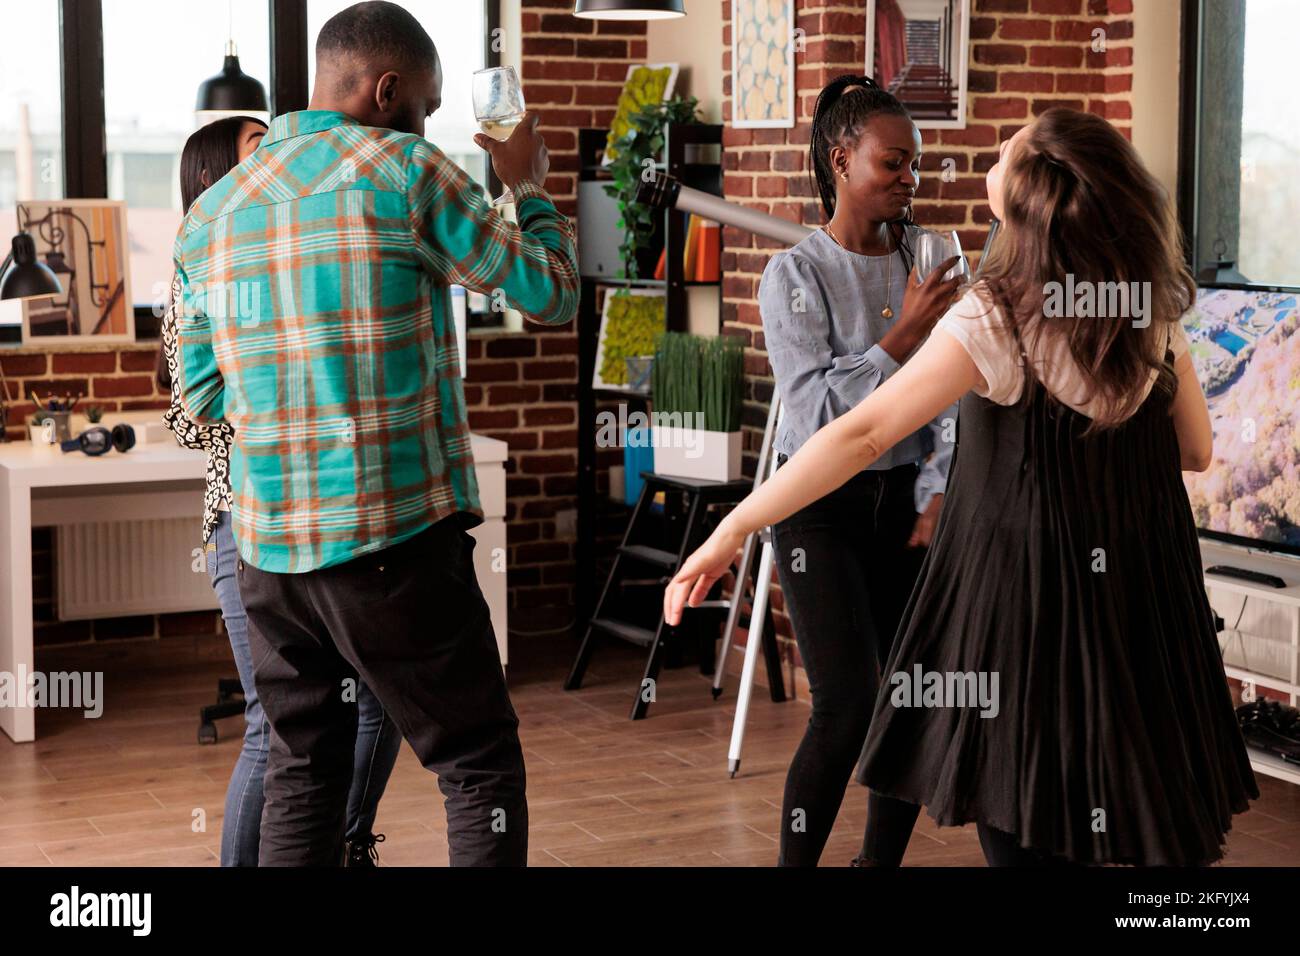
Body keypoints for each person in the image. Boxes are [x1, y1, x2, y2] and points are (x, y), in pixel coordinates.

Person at [667, 107, 1258, 867]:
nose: (998, 147)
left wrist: (730, 529)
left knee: (1027, 814)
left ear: (1024, 200)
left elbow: (858, 434)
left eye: (1010, 148)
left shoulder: (997, 316)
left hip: (1025, 618)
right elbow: (1197, 452)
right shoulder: (1151, 314)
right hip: (1141, 611)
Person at [173, 1, 578, 866]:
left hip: (269, 554)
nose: (428, 123)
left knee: (301, 771)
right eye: (426, 106)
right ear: (388, 89)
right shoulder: (407, 171)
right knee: (476, 764)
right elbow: (551, 293)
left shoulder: (210, 215)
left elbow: (203, 393)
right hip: (391, 541)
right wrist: (527, 182)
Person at [159, 115, 403, 868]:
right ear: (213, 182)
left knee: (376, 706)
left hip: (332, 517)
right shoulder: (201, 263)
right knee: (276, 728)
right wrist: (278, 406)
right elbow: (188, 418)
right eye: (259, 151)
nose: (280, 163)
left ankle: (340, 846)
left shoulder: (297, 260)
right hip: (250, 520)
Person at [756, 74, 961, 867]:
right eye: (894, 164)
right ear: (841, 161)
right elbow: (810, 419)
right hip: (819, 507)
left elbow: (955, 393)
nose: (910, 180)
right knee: (845, 707)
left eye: (916, 165)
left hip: (907, 499)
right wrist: (901, 338)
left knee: (909, 701)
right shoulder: (795, 276)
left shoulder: (933, 260)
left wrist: (940, 486)